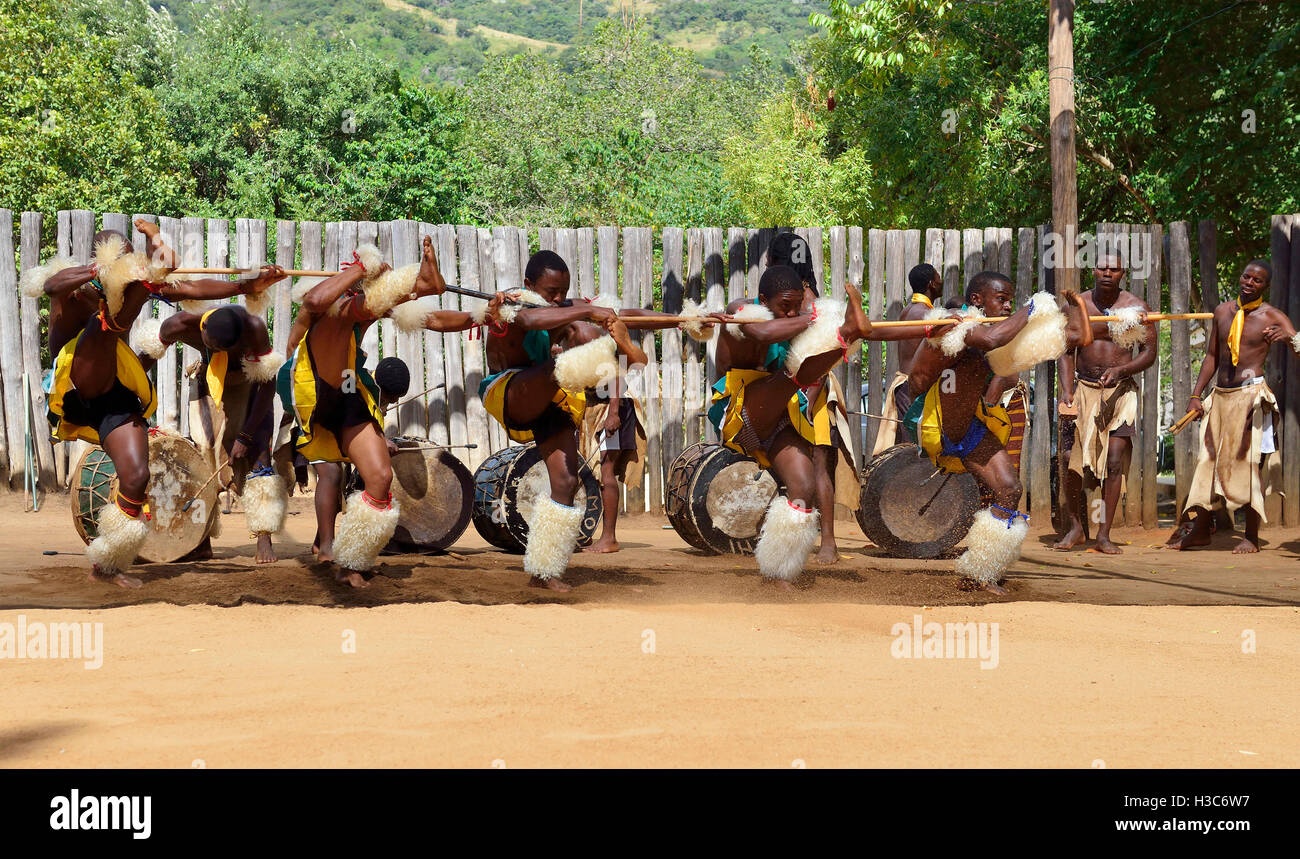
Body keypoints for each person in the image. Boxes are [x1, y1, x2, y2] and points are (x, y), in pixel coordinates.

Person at [24, 220, 276, 587]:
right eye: (123, 263)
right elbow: (51, 286)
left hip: (114, 391)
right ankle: (131, 300)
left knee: (137, 477)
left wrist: (244, 286)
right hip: (76, 380)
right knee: (102, 325)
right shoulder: (78, 289)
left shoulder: (127, 289)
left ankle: (108, 565)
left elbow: (188, 287)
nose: (128, 267)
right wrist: (98, 271)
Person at [903, 273, 1091, 593]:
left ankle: (981, 571)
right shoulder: (958, 324)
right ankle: (980, 571)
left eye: (1010, 300)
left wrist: (1075, 311)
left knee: (1009, 488)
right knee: (998, 490)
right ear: (977, 300)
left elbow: (1076, 338)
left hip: (971, 429)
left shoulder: (998, 330)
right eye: (1001, 299)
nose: (1007, 306)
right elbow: (992, 341)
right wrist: (1031, 308)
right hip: (939, 427)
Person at [480, 251, 656, 591]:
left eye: (564, 292)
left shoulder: (558, 306)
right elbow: (531, 323)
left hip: (546, 398)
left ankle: (544, 572)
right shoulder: (513, 306)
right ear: (530, 285)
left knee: (566, 479)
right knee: (556, 366)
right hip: (507, 391)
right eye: (551, 293)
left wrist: (685, 320)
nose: (558, 299)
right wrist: (589, 312)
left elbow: (630, 314)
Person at [283, 236, 448, 586]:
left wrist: (483, 315)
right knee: (328, 474)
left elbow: (434, 316)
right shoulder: (318, 307)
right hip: (308, 397)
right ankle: (325, 541)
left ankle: (351, 561)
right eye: (355, 287)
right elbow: (315, 300)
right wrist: (361, 266)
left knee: (380, 477)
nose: (360, 294)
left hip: (347, 397)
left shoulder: (360, 312)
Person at [711, 265, 874, 588]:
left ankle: (777, 572)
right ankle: (845, 335)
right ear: (762, 299)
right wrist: (816, 320)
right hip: (738, 412)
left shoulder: (794, 317)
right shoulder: (740, 311)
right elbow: (761, 333)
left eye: (796, 304)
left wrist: (940, 329)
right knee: (794, 375)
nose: (790, 312)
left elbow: (883, 332)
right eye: (784, 305)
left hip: (777, 417)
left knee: (803, 486)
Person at [1165, 260, 1300, 553]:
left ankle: (1251, 536)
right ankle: (1201, 531)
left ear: (1266, 286)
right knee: (1207, 463)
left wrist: (1289, 338)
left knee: (1251, 463)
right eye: (1246, 276)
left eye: (1257, 280)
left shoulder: (1272, 316)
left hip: (1252, 398)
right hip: (1221, 397)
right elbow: (1212, 356)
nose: (1249, 283)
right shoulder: (1223, 311)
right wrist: (1195, 395)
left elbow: (1299, 346)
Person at [147, 302, 291, 564]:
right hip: (208, 383)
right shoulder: (180, 324)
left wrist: (245, 435)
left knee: (259, 454)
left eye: (224, 348)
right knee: (202, 459)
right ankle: (201, 541)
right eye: (210, 346)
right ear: (201, 332)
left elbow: (267, 384)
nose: (217, 351)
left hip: (251, 383)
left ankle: (263, 538)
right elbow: (146, 355)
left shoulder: (254, 328)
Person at [765, 232, 860, 564]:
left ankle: (829, 542)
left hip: (810, 386)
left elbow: (821, 351)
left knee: (819, 463)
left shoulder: (802, 298)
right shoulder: (806, 295)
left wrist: (807, 396)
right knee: (810, 466)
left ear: (774, 262)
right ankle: (811, 541)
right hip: (793, 385)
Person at [1053, 251, 1156, 554]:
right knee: (1071, 459)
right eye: (1102, 268)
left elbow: (1148, 353)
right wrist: (1067, 390)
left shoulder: (1136, 308)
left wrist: (1121, 370)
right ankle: (1075, 528)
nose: (1108, 273)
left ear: (1123, 273)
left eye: (1114, 269)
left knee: (1114, 461)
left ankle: (1104, 534)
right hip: (1083, 389)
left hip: (1121, 393)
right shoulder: (1076, 306)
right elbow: (1064, 350)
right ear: (1094, 271)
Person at [872, 262, 943, 457]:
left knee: (911, 446)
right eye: (938, 277)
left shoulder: (908, 310)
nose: (941, 280)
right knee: (914, 449)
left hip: (907, 386)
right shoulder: (924, 314)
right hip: (913, 388)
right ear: (932, 283)